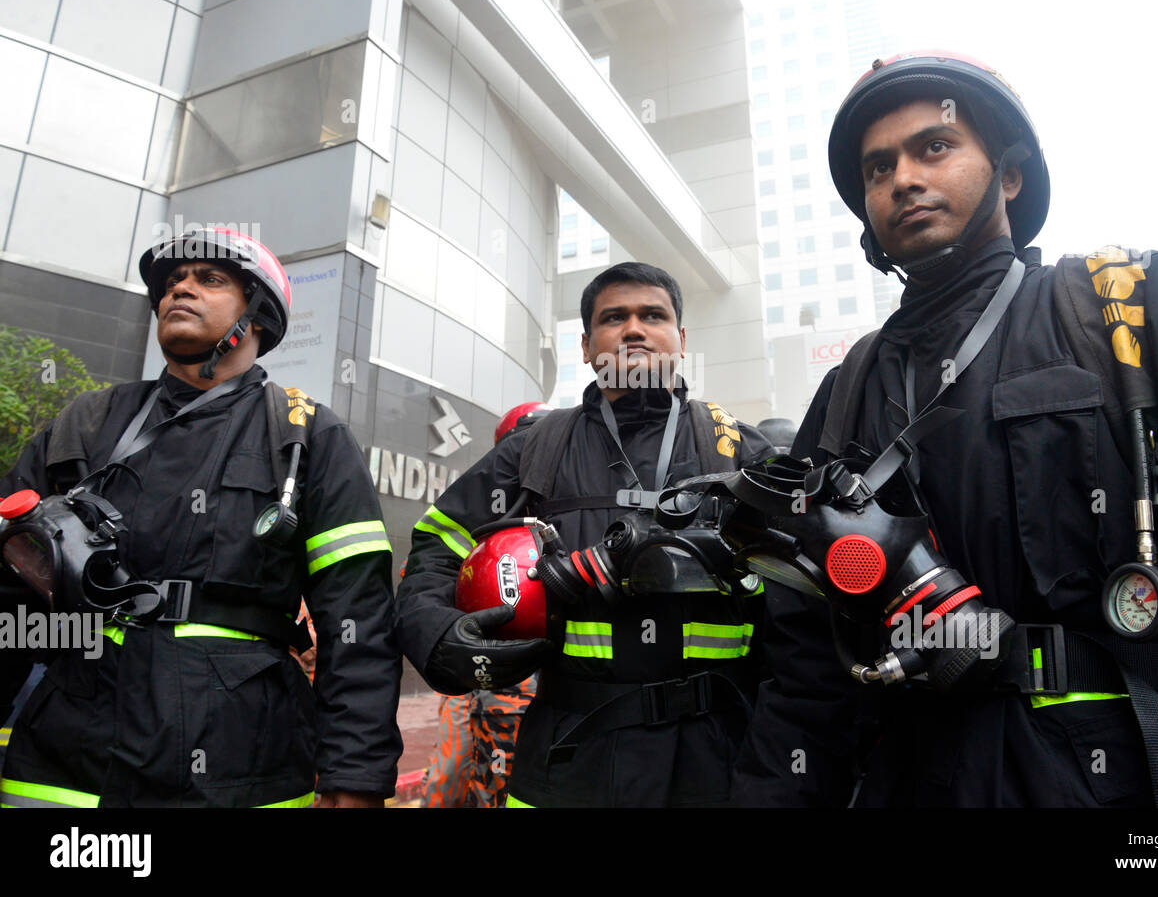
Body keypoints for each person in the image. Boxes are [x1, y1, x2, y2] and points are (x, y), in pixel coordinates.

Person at [732, 51, 1158, 807]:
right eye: (877, 167)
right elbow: (805, 669)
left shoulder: (1132, 305)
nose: (901, 179)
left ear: (1009, 174)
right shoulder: (847, 394)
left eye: (934, 146)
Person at [0, 227, 402, 807]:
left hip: (239, 763)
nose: (179, 291)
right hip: (64, 761)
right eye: (171, 282)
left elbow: (357, 619)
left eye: (209, 279)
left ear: (258, 314)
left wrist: (354, 776)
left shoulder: (307, 434)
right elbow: (9, 592)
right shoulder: (87, 421)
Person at [396, 262, 775, 807]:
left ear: (682, 338)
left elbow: (801, 605)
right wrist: (435, 636)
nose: (634, 329)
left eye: (653, 315)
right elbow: (436, 548)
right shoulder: (534, 448)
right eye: (613, 318)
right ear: (585, 345)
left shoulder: (738, 448)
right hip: (568, 760)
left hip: (717, 757)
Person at [420, 403, 548, 809]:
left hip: (499, 686)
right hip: (494, 679)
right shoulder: (481, 537)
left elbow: (451, 768)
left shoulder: (484, 533)